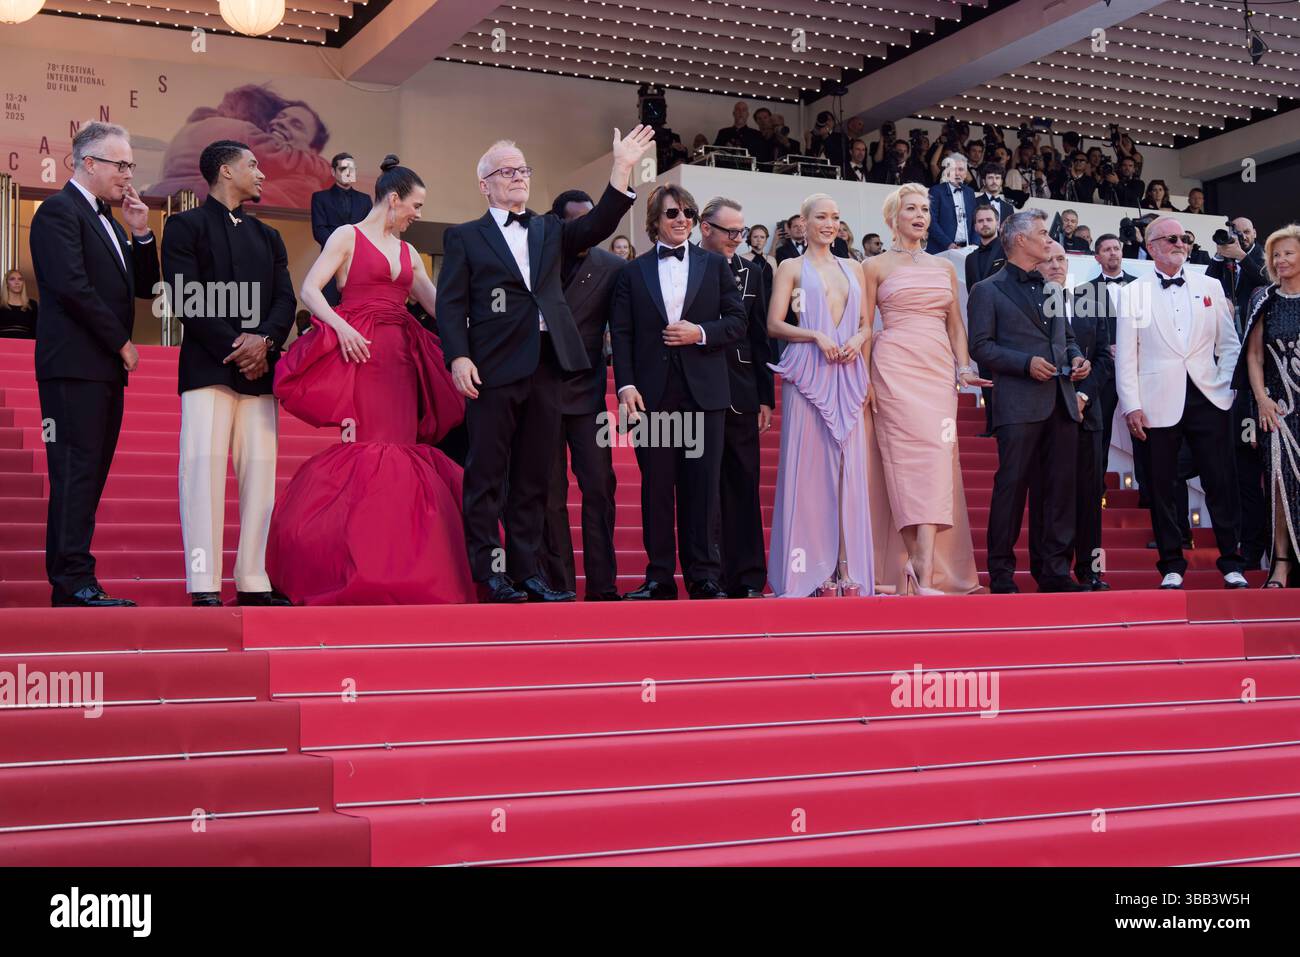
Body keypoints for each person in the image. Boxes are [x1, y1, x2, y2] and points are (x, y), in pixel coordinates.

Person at [437, 128, 653, 603]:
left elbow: (596, 226)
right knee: (488, 475)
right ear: (485, 185)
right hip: (490, 371)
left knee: (535, 478)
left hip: (548, 366)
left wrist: (621, 170)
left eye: (523, 170)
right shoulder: (464, 238)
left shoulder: (548, 230)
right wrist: (457, 355)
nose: (517, 178)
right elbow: (450, 305)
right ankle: (489, 576)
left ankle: (526, 573)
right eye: (506, 171)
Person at [268, 156, 475, 605]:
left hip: (401, 356)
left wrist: (487, 330)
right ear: (394, 198)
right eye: (415, 205)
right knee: (370, 451)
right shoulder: (347, 235)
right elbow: (309, 289)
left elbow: (441, 308)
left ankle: (403, 566)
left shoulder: (408, 254)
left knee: (401, 450)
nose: (418, 214)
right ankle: (357, 566)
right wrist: (340, 327)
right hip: (359, 352)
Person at [28, 122, 159, 607]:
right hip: (73, 367)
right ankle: (71, 583)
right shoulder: (58, 214)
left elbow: (146, 288)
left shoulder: (109, 218)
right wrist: (121, 342)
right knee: (74, 472)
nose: (128, 174)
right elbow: (71, 288)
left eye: (130, 165)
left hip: (101, 371)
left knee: (91, 473)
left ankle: (77, 580)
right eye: (120, 164)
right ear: (88, 163)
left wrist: (142, 232)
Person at [162, 140, 296, 607]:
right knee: (201, 474)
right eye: (252, 165)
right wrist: (237, 346)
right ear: (224, 171)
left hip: (263, 372)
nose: (261, 173)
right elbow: (186, 296)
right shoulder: (183, 227)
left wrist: (265, 341)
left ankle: (253, 579)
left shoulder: (270, 237)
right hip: (208, 370)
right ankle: (203, 582)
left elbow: (285, 300)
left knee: (260, 476)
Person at [611, 184, 746, 600]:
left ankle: (704, 575)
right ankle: (659, 578)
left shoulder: (714, 264)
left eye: (687, 212)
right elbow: (623, 333)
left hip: (704, 393)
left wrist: (700, 333)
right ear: (655, 221)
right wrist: (626, 385)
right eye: (672, 213)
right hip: (653, 396)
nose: (682, 219)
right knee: (656, 487)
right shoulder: (631, 273)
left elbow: (738, 320)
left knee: (702, 487)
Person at [865, 184, 987, 595]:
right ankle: (917, 563)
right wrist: (864, 380)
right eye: (911, 209)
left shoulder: (945, 267)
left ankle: (924, 564)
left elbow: (955, 323)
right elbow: (865, 326)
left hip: (937, 371)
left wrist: (965, 367)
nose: (920, 215)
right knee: (902, 462)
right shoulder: (874, 265)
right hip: (894, 365)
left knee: (938, 458)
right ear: (893, 218)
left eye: (924, 209)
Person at [1116, 216, 1247, 590]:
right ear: (1152, 246)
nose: (1180, 243)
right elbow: (1128, 355)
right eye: (1171, 238)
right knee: (1161, 484)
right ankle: (1171, 563)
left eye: (1184, 238)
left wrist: (1225, 388)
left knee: (1221, 480)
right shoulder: (1135, 292)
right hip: (1157, 401)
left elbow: (1229, 345)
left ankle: (1231, 561)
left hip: (1209, 397)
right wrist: (1131, 405)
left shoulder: (1210, 284)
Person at [969, 209, 1091, 593]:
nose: (1048, 239)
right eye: (1042, 233)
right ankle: (1001, 574)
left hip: (1061, 401)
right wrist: (1024, 364)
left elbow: (1065, 338)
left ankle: (1054, 571)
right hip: (1018, 404)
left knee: (1058, 490)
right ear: (1021, 240)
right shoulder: (986, 290)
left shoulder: (1052, 288)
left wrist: (1074, 358)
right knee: (1012, 487)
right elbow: (981, 347)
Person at [765, 193, 874, 598]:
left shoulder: (855, 268)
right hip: (808, 373)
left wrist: (858, 337)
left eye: (835, 217)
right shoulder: (790, 267)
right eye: (822, 217)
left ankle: (845, 569)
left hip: (847, 373)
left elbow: (866, 324)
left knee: (848, 472)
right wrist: (815, 334)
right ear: (804, 222)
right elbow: (774, 324)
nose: (830, 224)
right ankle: (807, 573)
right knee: (807, 473)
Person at [538, 189, 626, 602]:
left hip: (588, 393)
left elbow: (621, 334)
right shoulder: (537, 259)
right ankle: (558, 583)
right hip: (540, 391)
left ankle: (603, 585)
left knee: (599, 487)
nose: (586, 230)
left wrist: (624, 384)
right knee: (550, 492)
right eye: (576, 222)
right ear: (559, 222)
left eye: (591, 221)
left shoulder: (611, 266)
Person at [698, 197, 774, 598]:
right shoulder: (686, 264)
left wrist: (766, 396)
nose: (737, 239)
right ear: (705, 227)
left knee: (744, 485)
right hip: (694, 389)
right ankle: (708, 576)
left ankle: (746, 578)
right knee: (703, 487)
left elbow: (760, 336)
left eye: (741, 231)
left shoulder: (752, 271)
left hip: (742, 389)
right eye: (730, 231)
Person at [1038, 241, 1112, 590]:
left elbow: (1103, 357)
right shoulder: (1031, 301)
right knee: (1053, 495)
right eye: (1048, 260)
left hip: (1088, 413)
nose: (1055, 265)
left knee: (1089, 496)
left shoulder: (1091, 297)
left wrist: (1083, 396)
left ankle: (1090, 570)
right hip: (1047, 413)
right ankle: (1052, 570)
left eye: (1061, 259)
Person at [1234, 225, 1300, 587]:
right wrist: (1261, 399)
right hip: (1279, 409)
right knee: (1277, 483)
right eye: (1276, 255)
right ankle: (1281, 563)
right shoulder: (1265, 299)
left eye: (1288, 252)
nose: (1281, 260)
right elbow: (1254, 355)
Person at [1076, 234, 1135, 464]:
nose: (1113, 253)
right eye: (1107, 249)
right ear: (1097, 257)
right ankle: (1095, 492)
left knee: (1144, 433)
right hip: (1104, 372)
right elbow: (1081, 335)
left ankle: (1148, 495)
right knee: (1099, 432)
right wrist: (1103, 348)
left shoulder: (1141, 285)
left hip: (1136, 371)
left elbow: (1148, 326)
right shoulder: (1084, 291)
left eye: (1116, 248)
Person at [965, 204, 1006, 437]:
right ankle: (991, 426)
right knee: (987, 378)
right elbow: (973, 293)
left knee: (1005, 380)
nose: (984, 224)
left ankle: (1004, 426)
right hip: (982, 328)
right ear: (975, 226)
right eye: (980, 221)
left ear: (998, 223)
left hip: (1005, 325)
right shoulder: (970, 259)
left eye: (988, 220)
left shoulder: (1008, 251)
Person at [310, 152, 372, 306]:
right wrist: (341, 248)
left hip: (359, 265)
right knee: (328, 310)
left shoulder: (365, 200)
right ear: (333, 172)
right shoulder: (320, 197)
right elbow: (319, 230)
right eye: (344, 168)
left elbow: (370, 231)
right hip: (330, 263)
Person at [926, 154, 977, 253]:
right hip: (941, 250)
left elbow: (975, 220)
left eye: (961, 169)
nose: (957, 173)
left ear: (966, 173)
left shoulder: (970, 192)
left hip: (967, 250)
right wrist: (948, 244)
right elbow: (931, 221)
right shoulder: (936, 191)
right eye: (953, 169)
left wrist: (974, 244)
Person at [1, 269, 37, 339]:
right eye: (12, 279)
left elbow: (35, 330)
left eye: (20, 279)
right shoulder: (1, 304)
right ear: (7, 284)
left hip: (25, 344)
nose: (17, 282)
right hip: (2, 345)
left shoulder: (32, 304)